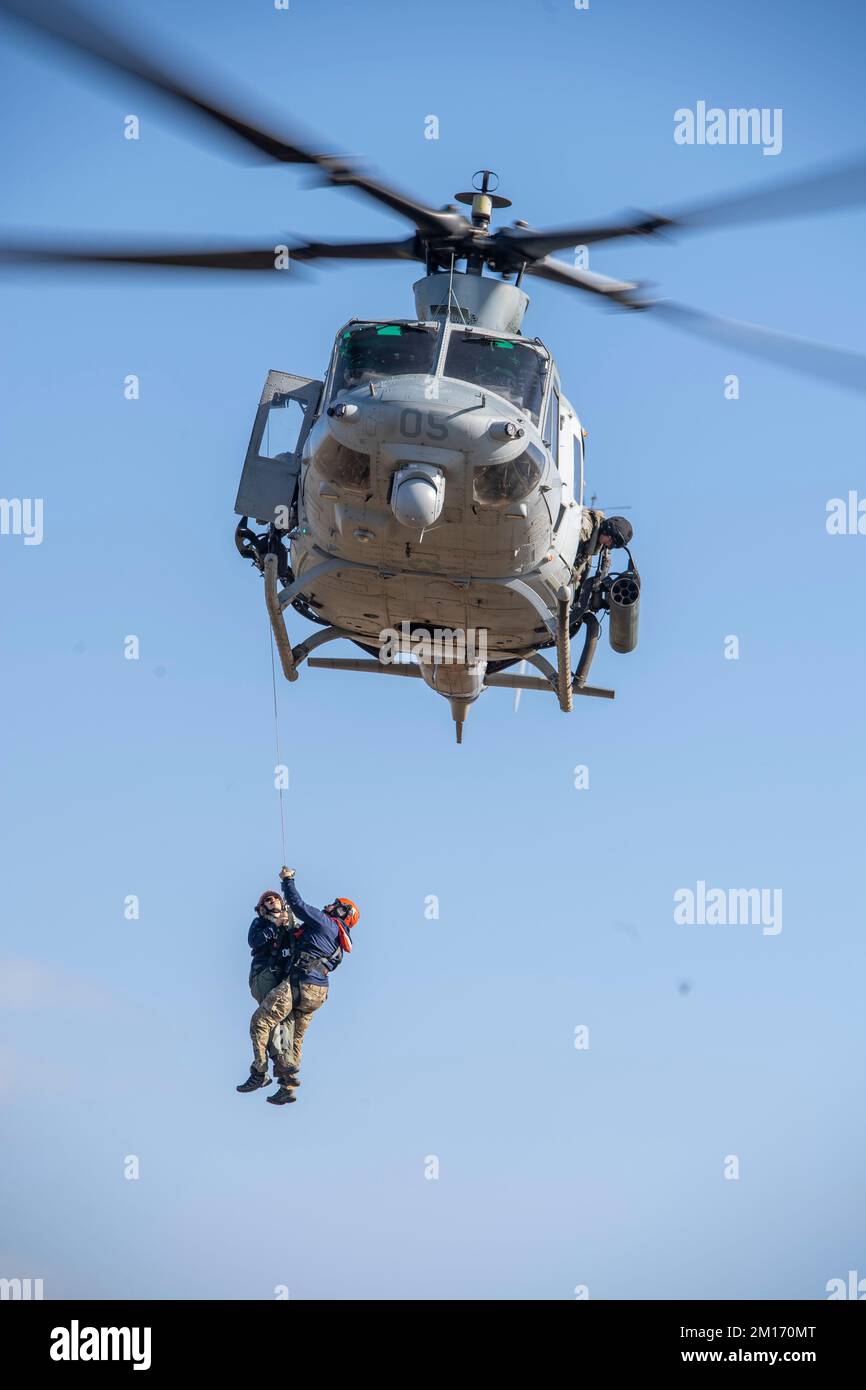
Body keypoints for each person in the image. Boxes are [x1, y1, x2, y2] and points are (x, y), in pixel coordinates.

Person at [238, 868, 360, 1107]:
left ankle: (259, 1071)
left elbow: (297, 903)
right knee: (294, 1038)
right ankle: (288, 1087)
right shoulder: (337, 939)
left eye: (337, 904)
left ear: (344, 913)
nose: (330, 904)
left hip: (300, 983)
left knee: (261, 1021)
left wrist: (288, 880)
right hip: (319, 993)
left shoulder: (326, 923)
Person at [236, 886, 297, 1093]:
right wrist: (274, 927)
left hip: (283, 978)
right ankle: (270, 1064)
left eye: (274, 898)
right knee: (269, 1020)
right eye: (267, 900)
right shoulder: (260, 923)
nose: (271, 900)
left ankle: (283, 1068)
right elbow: (253, 941)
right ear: (262, 908)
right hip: (264, 974)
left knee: (284, 1022)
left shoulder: (290, 924)